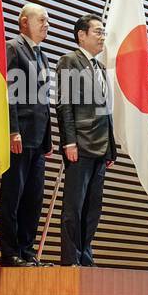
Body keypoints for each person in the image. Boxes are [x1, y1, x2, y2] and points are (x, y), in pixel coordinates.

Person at [56, 14, 117, 266]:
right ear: (81, 35)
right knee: (74, 206)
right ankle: (71, 259)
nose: (103, 37)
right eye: (98, 32)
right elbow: (64, 104)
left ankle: (85, 255)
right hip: (80, 144)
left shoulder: (100, 68)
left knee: (93, 208)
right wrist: (69, 141)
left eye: (103, 33)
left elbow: (106, 111)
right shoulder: (70, 61)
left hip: (101, 147)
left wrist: (111, 147)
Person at [0, 3, 53, 266]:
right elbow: (8, 91)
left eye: (47, 21)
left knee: (33, 198)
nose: (46, 25)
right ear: (23, 23)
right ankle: (10, 253)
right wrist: (12, 130)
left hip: (37, 138)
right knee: (13, 195)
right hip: (19, 135)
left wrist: (48, 139)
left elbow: (44, 101)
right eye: (41, 20)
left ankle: (27, 251)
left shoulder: (42, 55)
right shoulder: (13, 47)